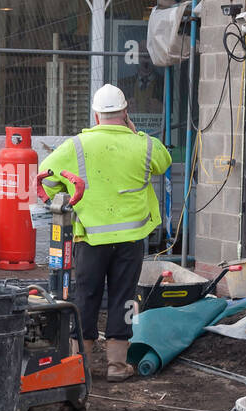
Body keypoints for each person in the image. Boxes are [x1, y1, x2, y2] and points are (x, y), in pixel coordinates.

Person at [38, 83, 172, 382]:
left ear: (96, 116)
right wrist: (135, 133)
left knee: (86, 296)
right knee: (124, 297)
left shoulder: (76, 146)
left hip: (91, 239)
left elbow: (45, 178)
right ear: (126, 113)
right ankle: (116, 365)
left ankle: (79, 364)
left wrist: (67, 191)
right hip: (130, 240)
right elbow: (164, 163)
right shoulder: (144, 144)